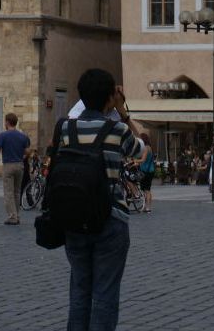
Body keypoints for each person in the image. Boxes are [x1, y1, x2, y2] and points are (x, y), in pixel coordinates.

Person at [52, 69, 143, 331]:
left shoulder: (65, 128)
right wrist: (123, 112)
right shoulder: (117, 129)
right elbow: (143, 149)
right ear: (110, 97)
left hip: (73, 217)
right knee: (105, 293)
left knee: (79, 290)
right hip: (110, 218)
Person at [0, 112, 30, 225]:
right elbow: (27, 151)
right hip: (20, 165)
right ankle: (17, 214)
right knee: (17, 191)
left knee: (8, 192)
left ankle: (12, 216)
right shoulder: (23, 136)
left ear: (7, 122)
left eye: (5, 121)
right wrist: (21, 155)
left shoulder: (3, 135)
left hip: (8, 165)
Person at [139, 137, 156, 212]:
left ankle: (148, 207)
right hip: (150, 170)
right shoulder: (149, 148)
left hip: (146, 171)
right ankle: (147, 206)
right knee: (147, 190)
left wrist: (135, 160)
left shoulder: (146, 148)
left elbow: (143, 159)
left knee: (146, 190)